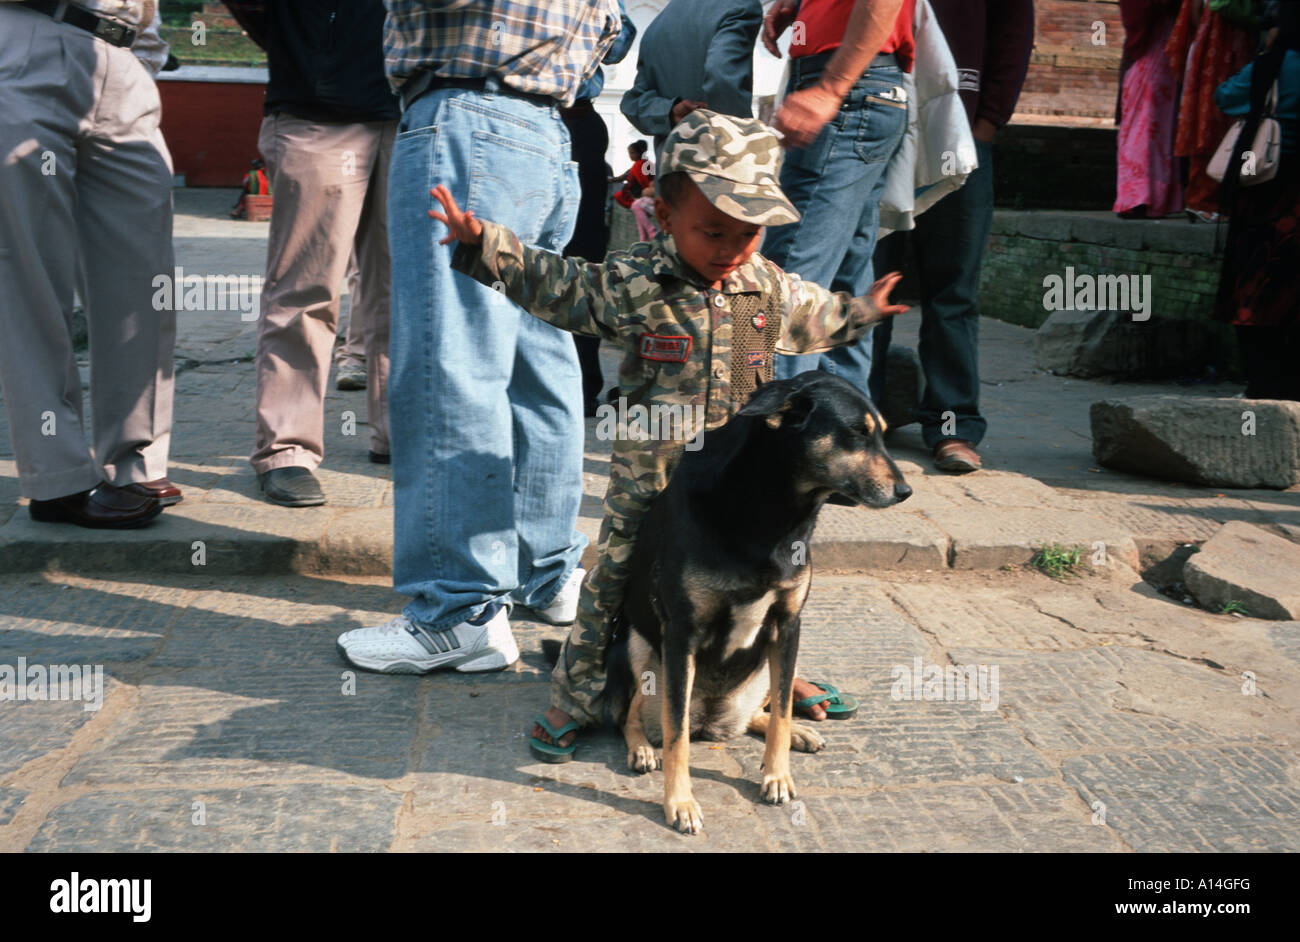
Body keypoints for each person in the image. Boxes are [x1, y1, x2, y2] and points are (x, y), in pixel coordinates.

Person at [424, 111, 906, 760]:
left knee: (765, 578)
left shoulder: (763, 286)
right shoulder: (634, 283)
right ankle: (578, 695)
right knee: (618, 574)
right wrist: (486, 245)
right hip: (650, 477)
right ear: (666, 210)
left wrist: (862, 314)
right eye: (713, 230)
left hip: (740, 481)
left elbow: (813, 318)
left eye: (750, 232)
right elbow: (559, 285)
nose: (732, 248)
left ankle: (768, 688)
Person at [336, 3, 621, 675]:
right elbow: (613, 27)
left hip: (468, 118)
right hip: (548, 132)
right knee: (536, 361)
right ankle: (546, 574)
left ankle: (458, 611)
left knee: (451, 362)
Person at [0, 0, 180, 528]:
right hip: (27, 33)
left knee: (145, 278)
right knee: (30, 277)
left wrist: (141, 57)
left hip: (121, 54)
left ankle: (134, 460)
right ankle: (59, 479)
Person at [224, 0, 397, 503]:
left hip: (410, 111)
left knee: (402, 292)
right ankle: (287, 449)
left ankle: (395, 434)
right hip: (317, 112)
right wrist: (313, 44)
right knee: (304, 291)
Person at [869, 0, 1035, 474]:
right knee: (870, 282)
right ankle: (861, 419)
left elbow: (1013, 35)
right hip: (878, 122)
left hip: (958, 130)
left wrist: (986, 124)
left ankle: (953, 426)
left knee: (953, 289)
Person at [760, 0, 912, 399]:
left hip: (848, 90)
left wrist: (830, 87)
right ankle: (840, 440)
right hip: (858, 88)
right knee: (842, 281)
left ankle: (774, 439)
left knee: (791, 281)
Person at [1213, 3, 1300, 400]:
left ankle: (1264, 386)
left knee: (1254, 288)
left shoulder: (1277, 64)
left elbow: (1225, 97)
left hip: (1268, 189)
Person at [563, 3, 637, 418]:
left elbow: (618, 41)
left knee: (583, 259)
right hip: (515, 110)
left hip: (575, 118)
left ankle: (584, 380)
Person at [619, 0, 764, 152]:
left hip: (671, 168)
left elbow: (633, 103)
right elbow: (721, 79)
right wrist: (742, 143)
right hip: (718, 164)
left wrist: (669, 112)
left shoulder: (657, 25)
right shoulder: (740, 6)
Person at [1167, 0, 1256, 221]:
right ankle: (1209, 202)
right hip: (1226, 51)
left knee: (1206, 124)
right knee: (1223, 125)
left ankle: (1202, 200)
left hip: (1207, 51)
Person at [1114, 0, 1186, 218]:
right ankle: (1156, 198)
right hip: (1165, 58)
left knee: (1142, 130)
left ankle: (1140, 197)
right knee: (1157, 130)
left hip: (1153, 59)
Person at [608, 140, 653, 252]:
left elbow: (645, 182)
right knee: (639, 219)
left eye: (632, 153)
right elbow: (622, 178)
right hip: (640, 195)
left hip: (640, 196)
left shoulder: (640, 165)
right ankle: (643, 241)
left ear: (640, 152)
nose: (630, 156)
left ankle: (650, 234)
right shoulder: (645, 164)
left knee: (634, 207)